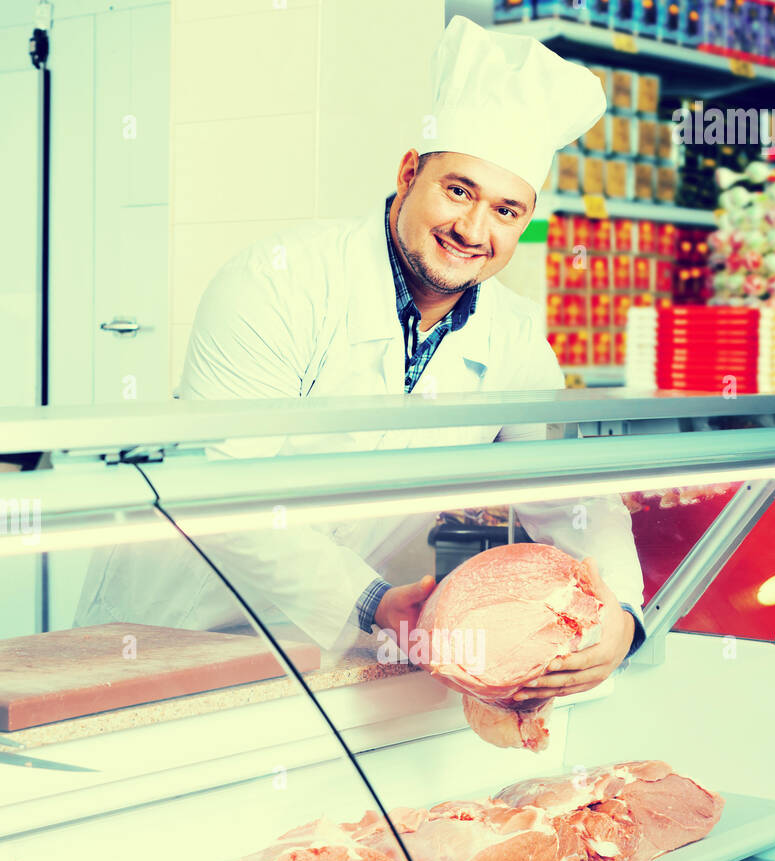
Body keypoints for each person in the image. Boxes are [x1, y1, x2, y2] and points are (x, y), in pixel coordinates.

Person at [77, 16, 645, 700]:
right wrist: (370, 598)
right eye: (457, 191)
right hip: (168, 622)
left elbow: (573, 496)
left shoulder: (515, 337)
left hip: (321, 642)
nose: (472, 230)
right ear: (409, 173)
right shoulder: (280, 280)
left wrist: (621, 616)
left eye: (505, 210)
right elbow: (223, 486)